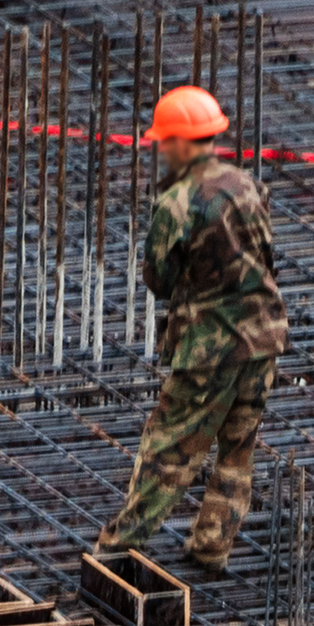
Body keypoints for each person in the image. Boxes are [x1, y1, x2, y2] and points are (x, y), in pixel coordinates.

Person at [92, 84, 286, 573]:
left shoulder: (176, 202)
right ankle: (212, 546)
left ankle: (119, 547)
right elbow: (266, 255)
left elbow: (159, 277)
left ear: (180, 143)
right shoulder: (247, 185)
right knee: (237, 450)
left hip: (209, 349)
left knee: (169, 448)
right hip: (265, 338)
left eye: (163, 141)